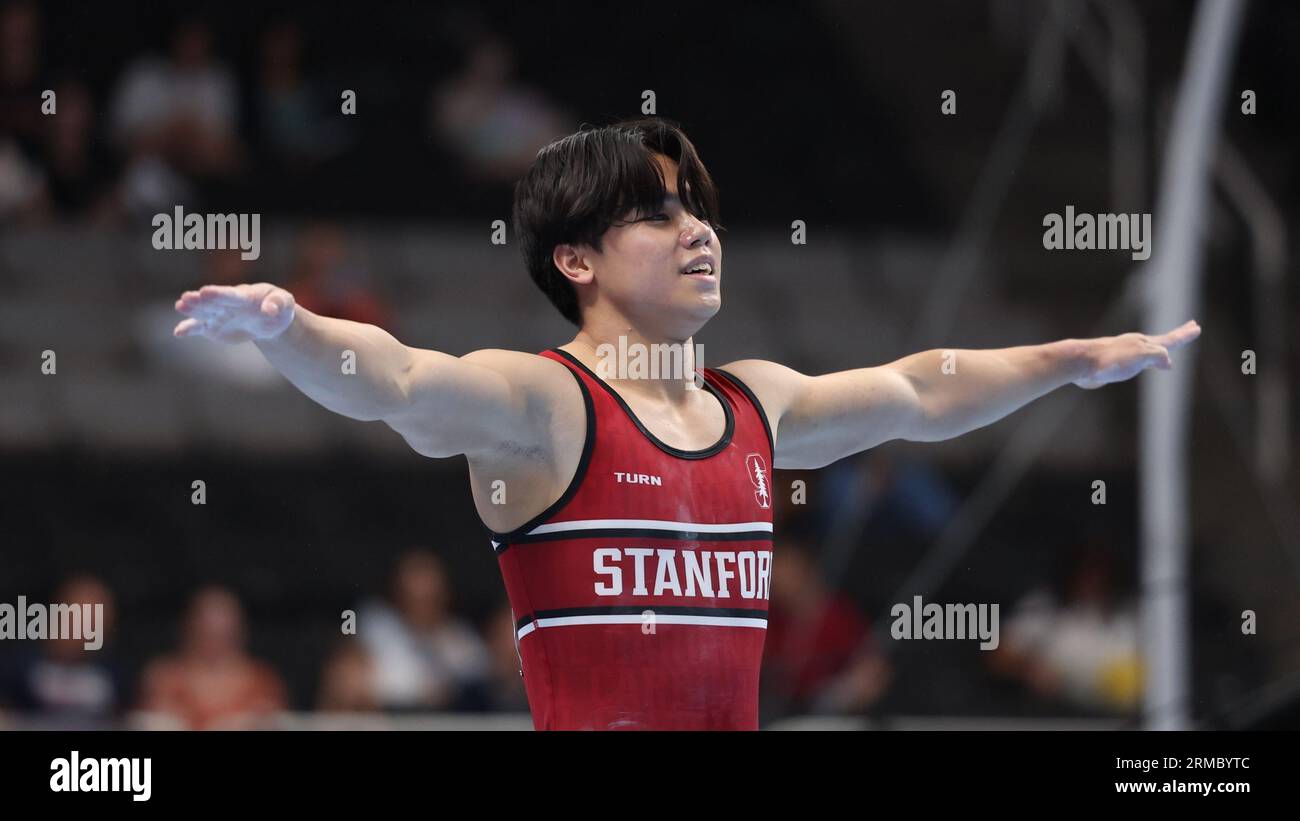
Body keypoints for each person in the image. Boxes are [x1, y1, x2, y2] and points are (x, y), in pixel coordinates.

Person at [172, 116, 1200, 730]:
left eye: (697, 209)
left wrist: (1067, 362)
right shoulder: (546, 407)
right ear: (575, 260)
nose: (697, 228)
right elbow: (397, 381)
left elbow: (922, 389)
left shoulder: (755, 402)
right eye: (657, 213)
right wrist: (289, 325)